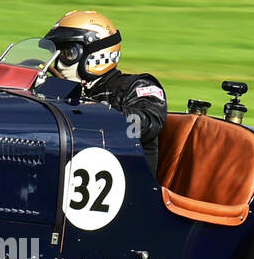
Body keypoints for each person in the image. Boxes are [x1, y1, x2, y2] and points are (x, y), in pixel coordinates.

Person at [44, 9, 168, 175]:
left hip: (129, 187)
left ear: (96, 54)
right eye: (55, 53)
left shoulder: (138, 86)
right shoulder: (56, 89)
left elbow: (147, 123)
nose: (57, 63)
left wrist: (90, 109)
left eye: (68, 53)